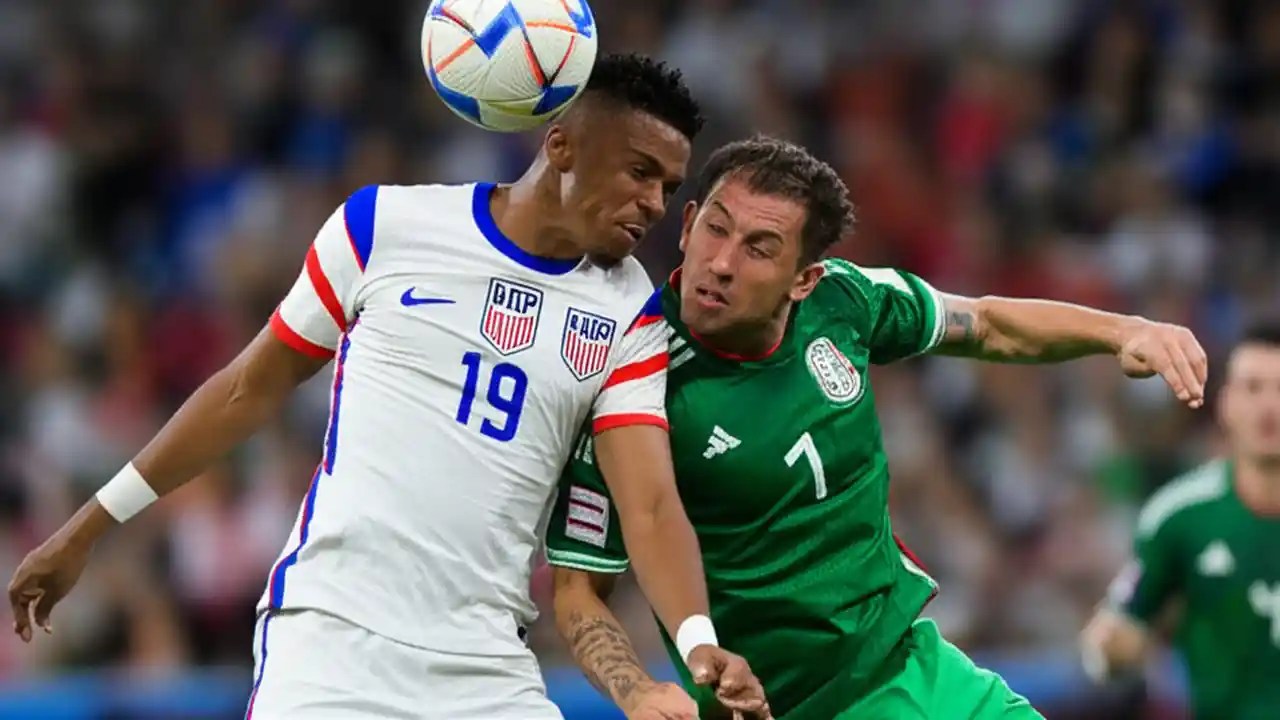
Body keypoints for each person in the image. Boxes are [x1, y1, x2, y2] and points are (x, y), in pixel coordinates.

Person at [6, 55, 766, 720]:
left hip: (484, 667)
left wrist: (697, 646)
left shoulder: (630, 308)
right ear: (561, 143)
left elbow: (651, 503)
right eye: (640, 171)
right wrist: (86, 528)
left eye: (668, 185)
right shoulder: (387, 226)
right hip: (331, 642)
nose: (656, 204)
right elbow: (246, 390)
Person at [545, 135, 1209, 720]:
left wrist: (1124, 330)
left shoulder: (845, 300)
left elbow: (985, 323)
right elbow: (578, 591)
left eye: (759, 248)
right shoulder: (630, 381)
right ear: (686, 225)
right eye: (716, 229)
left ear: (803, 278)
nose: (721, 262)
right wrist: (635, 691)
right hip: (775, 709)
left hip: (916, 673)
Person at [1081, 323, 1280, 720]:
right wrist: (1114, 647)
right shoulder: (1179, 519)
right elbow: (1112, 638)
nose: (1269, 406)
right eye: (1254, 388)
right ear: (1225, 404)